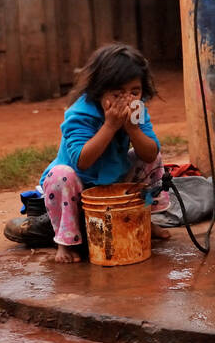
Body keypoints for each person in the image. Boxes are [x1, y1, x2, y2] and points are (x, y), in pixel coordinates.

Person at [35, 42, 170, 264]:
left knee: (152, 155)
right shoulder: (81, 113)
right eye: (118, 94)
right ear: (99, 91)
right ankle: (65, 240)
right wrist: (110, 126)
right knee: (61, 175)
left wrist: (133, 129)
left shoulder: (137, 108)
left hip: (116, 179)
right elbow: (82, 161)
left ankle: (146, 219)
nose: (128, 99)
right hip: (79, 185)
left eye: (135, 92)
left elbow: (148, 153)